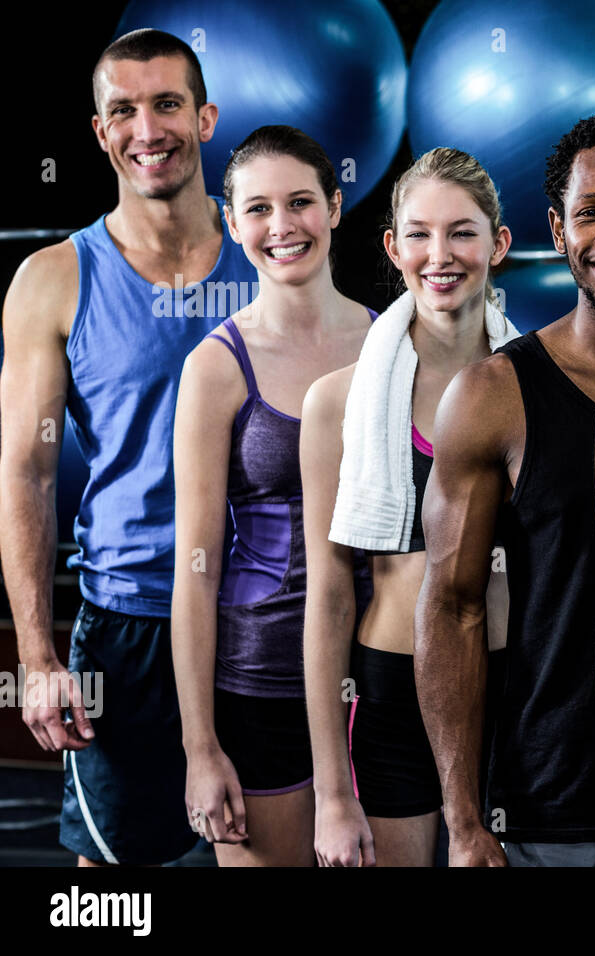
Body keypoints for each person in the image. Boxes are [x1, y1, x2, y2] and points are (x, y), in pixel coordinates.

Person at [0, 29, 258, 866]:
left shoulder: (273, 253)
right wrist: (38, 657)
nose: (149, 128)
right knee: (117, 893)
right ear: (101, 132)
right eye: (125, 110)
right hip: (128, 625)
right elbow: (27, 472)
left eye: (168, 104)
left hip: (262, 618)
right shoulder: (53, 278)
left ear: (206, 117)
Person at [415, 111, 595, 867]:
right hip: (553, 800)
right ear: (557, 227)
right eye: (590, 212)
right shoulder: (494, 396)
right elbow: (451, 609)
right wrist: (465, 822)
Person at [302, 147, 516, 867]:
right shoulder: (337, 401)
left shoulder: (534, 386)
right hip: (389, 691)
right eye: (419, 234)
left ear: (498, 244)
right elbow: (329, 596)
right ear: (394, 248)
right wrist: (333, 794)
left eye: (462, 232)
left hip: (510, 685)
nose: (441, 254)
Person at [171, 125, 376, 865]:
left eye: (301, 203)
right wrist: (200, 747)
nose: (282, 227)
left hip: (382, 675)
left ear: (336, 206)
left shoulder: (393, 344)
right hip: (261, 682)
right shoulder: (216, 367)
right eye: (258, 210)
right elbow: (194, 571)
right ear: (232, 223)